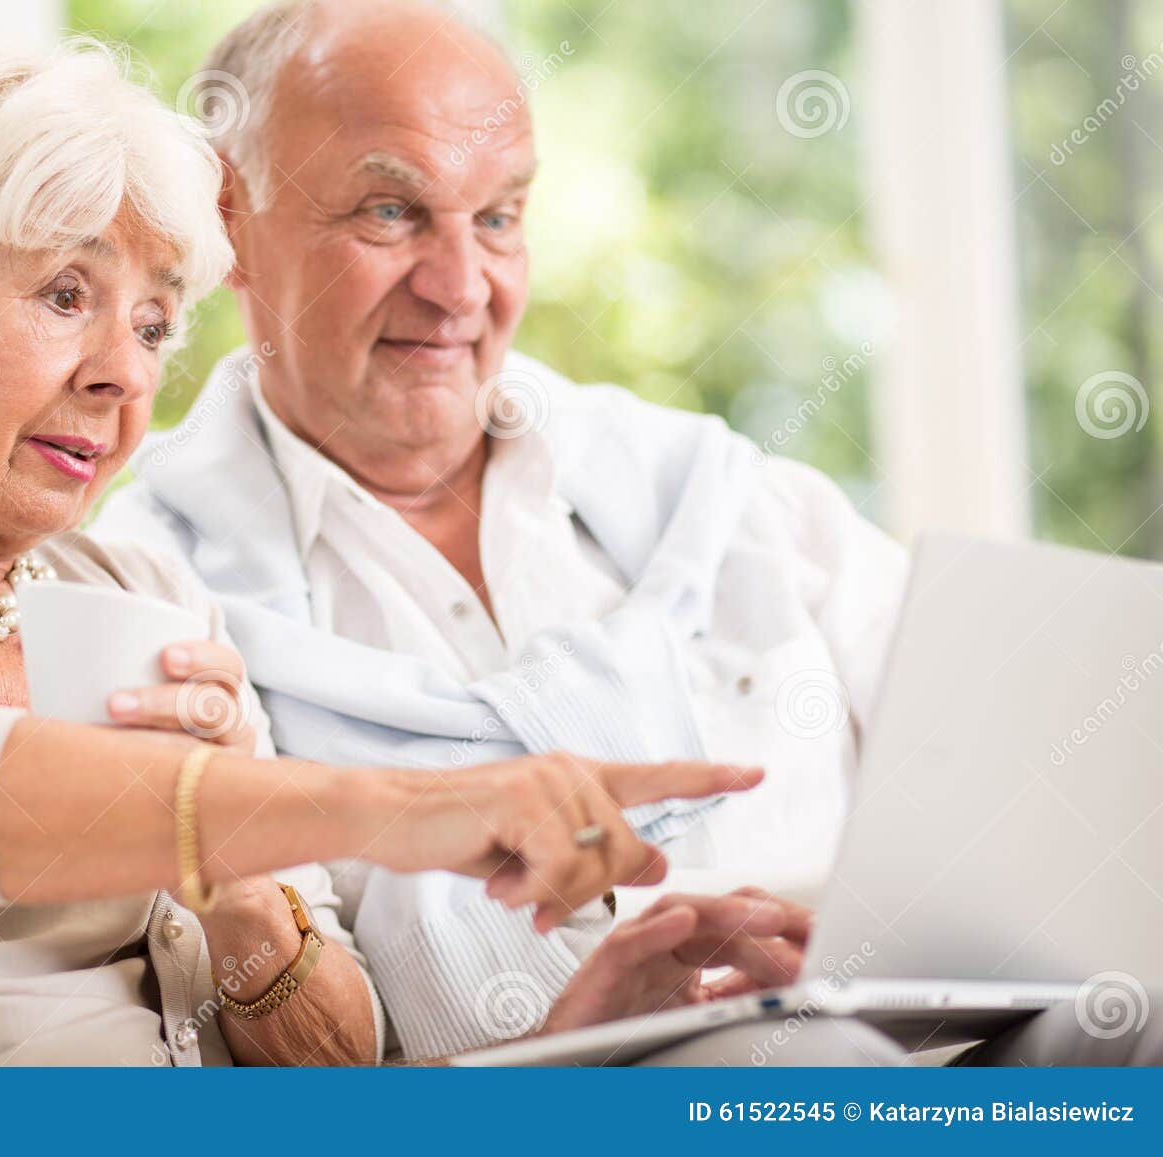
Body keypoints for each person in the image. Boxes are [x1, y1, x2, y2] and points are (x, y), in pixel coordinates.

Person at [0, 36, 752, 1068]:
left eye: (150, 323)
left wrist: (240, 881)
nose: (124, 374)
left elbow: (332, 1080)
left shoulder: (136, 591)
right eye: (65, 293)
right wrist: (380, 807)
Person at [98, 0, 1163, 1066]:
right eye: (390, 212)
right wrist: (573, 1061)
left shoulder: (718, 496)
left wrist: (864, 964)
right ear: (227, 220)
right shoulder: (155, 609)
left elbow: (1032, 808)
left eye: (500, 217)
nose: (462, 287)